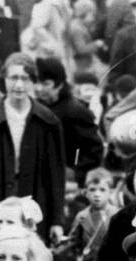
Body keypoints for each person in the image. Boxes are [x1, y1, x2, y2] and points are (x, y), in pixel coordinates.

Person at [0, 52, 67, 245]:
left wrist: (57, 220)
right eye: (13, 78)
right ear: (4, 80)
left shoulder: (48, 121)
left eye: (25, 78)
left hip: (36, 208)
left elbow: (56, 174)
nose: (19, 85)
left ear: (33, 82)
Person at [34, 54, 103, 184]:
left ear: (59, 84)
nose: (39, 88)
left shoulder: (75, 111)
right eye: (37, 82)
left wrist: (76, 173)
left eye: (46, 84)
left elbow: (95, 150)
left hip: (63, 181)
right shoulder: (37, 106)